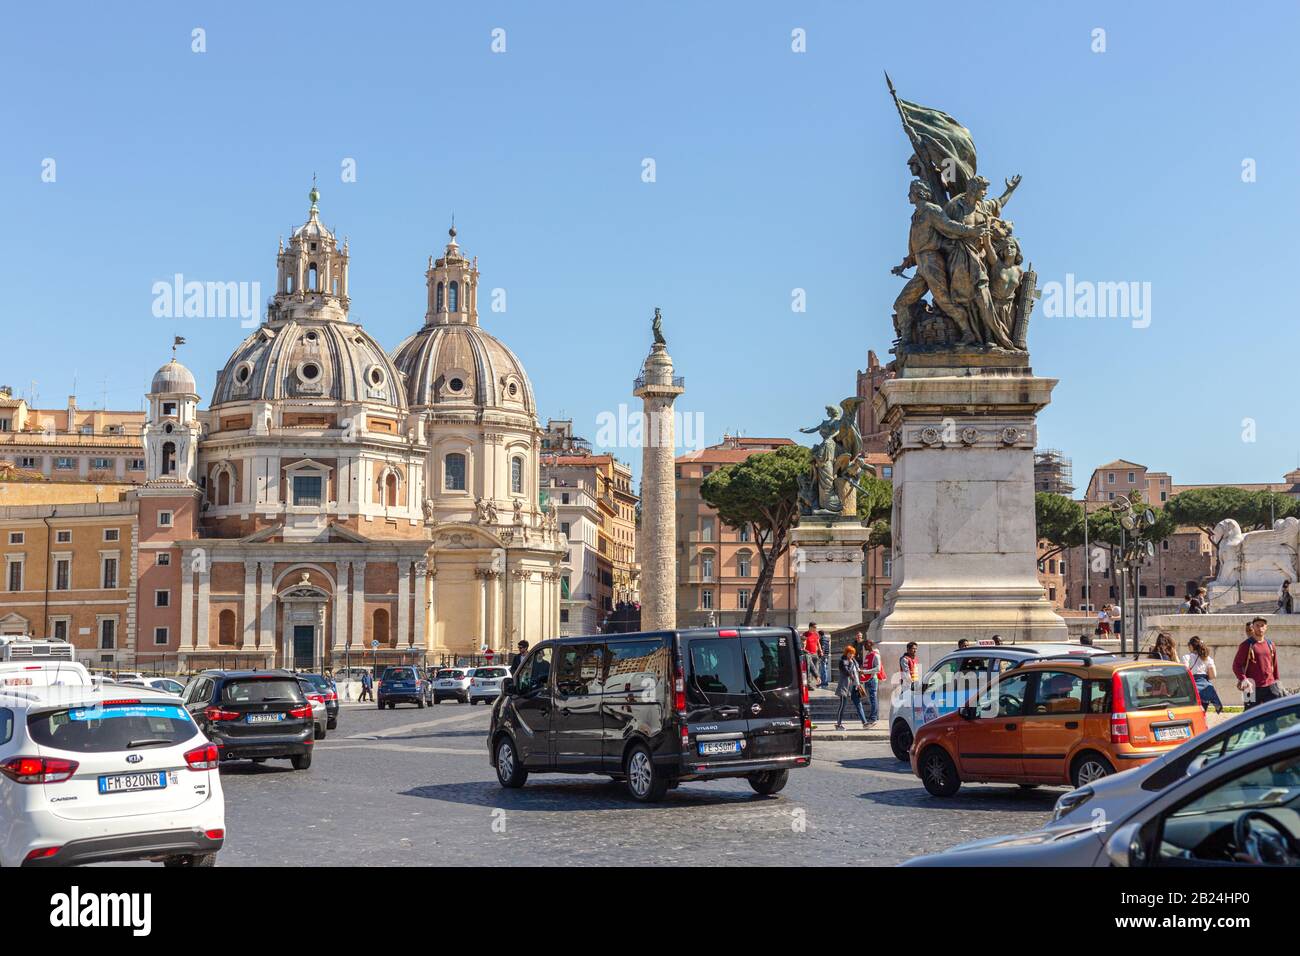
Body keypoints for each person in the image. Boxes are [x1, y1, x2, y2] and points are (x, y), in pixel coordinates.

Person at [1232, 617, 1283, 709]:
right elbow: (1236, 665)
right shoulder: (1246, 645)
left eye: (1262, 625)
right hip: (1250, 687)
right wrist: (1244, 679)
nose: (1260, 628)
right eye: (1257, 625)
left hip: (1270, 686)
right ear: (1253, 627)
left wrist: (1277, 682)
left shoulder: (1271, 644)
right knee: (1249, 716)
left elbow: (1274, 665)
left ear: (1266, 627)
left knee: (1272, 716)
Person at [1184, 636, 1223, 715]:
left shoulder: (1187, 657)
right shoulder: (1208, 658)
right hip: (1205, 689)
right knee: (1202, 714)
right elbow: (1213, 675)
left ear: (1191, 646)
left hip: (1191, 688)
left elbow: (1185, 672)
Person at [834, 646, 869, 729]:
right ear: (846, 653)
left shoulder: (853, 661)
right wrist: (851, 664)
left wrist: (860, 676)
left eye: (853, 654)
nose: (851, 655)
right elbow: (847, 672)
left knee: (858, 704)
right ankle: (838, 725)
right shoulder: (843, 661)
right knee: (842, 706)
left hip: (854, 687)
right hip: (845, 686)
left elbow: (856, 671)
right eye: (850, 653)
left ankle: (865, 723)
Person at [860, 638, 882, 726]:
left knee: (873, 699)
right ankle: (872, 716)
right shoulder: (868, 654)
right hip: (867, 679)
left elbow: (878, 669)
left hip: (872, 680)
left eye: (865, 644)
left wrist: (864, 672)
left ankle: (873, 718)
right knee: (870, 699)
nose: (864, 646)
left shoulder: (875, 655)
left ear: (870, 644)